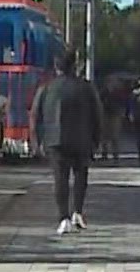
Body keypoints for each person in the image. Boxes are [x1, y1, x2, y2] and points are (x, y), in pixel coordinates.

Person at [29, 50, 103, 235]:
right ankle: (77, 212)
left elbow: (35, 115)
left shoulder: (46, 88)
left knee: (60, 179)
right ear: (74, 65)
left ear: (56, 67)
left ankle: (63, 218)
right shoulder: (86, 87)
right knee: (80, 177)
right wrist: (96, 139)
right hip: (82, 139)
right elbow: (97, 115)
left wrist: (36, 141)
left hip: (55, 140)